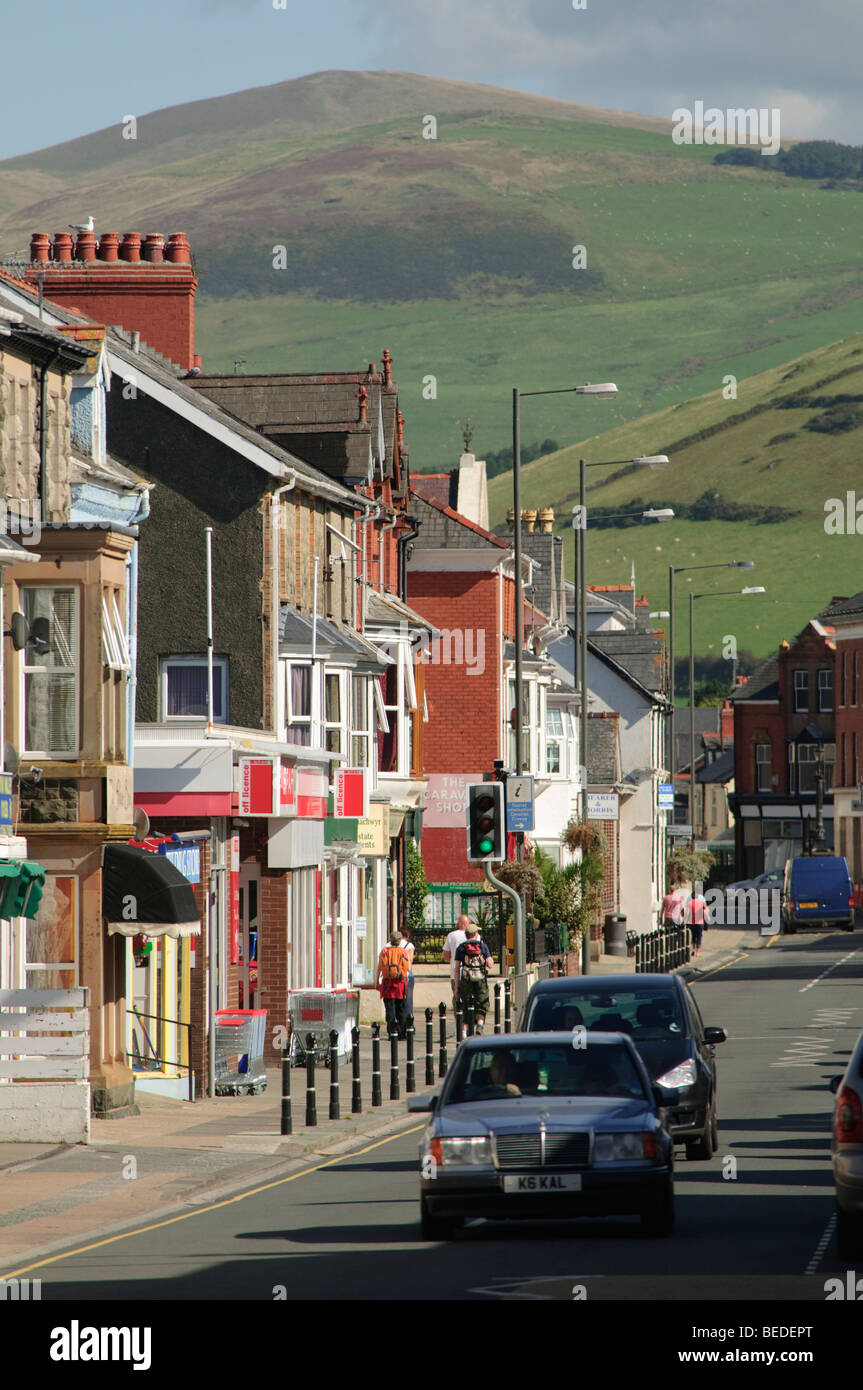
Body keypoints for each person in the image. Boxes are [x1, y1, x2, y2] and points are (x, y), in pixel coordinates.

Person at [454, 924, 493, 1037]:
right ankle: (479, 1026)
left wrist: (456, 987)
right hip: (480, 979)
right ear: (475, 934)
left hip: (466, 980)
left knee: (465, 1004)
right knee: (482, 1002)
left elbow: (456, 969)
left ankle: (464, 1032)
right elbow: (490, 964)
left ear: (466, 935)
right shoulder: (482, 946)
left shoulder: (461, 948)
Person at [376, 931, 409, 1037]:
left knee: (390, 1008)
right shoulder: (403, 952)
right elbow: (407, 968)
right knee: (401, 1008)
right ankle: (401, 1032)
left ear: (390, 940)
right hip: (400, 983)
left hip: (387, 983)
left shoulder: (384, 951)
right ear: (399, 941)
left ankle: (392, 1032)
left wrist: (377, 980)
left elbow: (380, 967)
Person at [442, 913, 470, 1002]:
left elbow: (446, 956)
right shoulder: (475, 936)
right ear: (468, 924)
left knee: (457, 998)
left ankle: (458, 1015)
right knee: (469, 1000)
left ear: (459, 923)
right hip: (472, 973)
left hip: (455, 973)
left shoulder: (451, 935)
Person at [684, 886, 712, 957]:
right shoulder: (701, 903)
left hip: (692, 922)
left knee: (693, 936)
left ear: (692, 897)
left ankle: (693, 949)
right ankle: (697, 952)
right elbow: (705, 911)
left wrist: (685, 920)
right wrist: (708, 919)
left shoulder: (689, 903)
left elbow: (687, 913)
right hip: (700, 922)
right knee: (699, 937)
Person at [400, 924, 416, 1036]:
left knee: (397, 1002)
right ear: (408, 934)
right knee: (408, 1001)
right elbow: (410, 962)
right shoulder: (409, 945)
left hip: (393, 976)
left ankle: (397, 1026)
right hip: (406, 975)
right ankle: (409, 1026)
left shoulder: (389, 944)